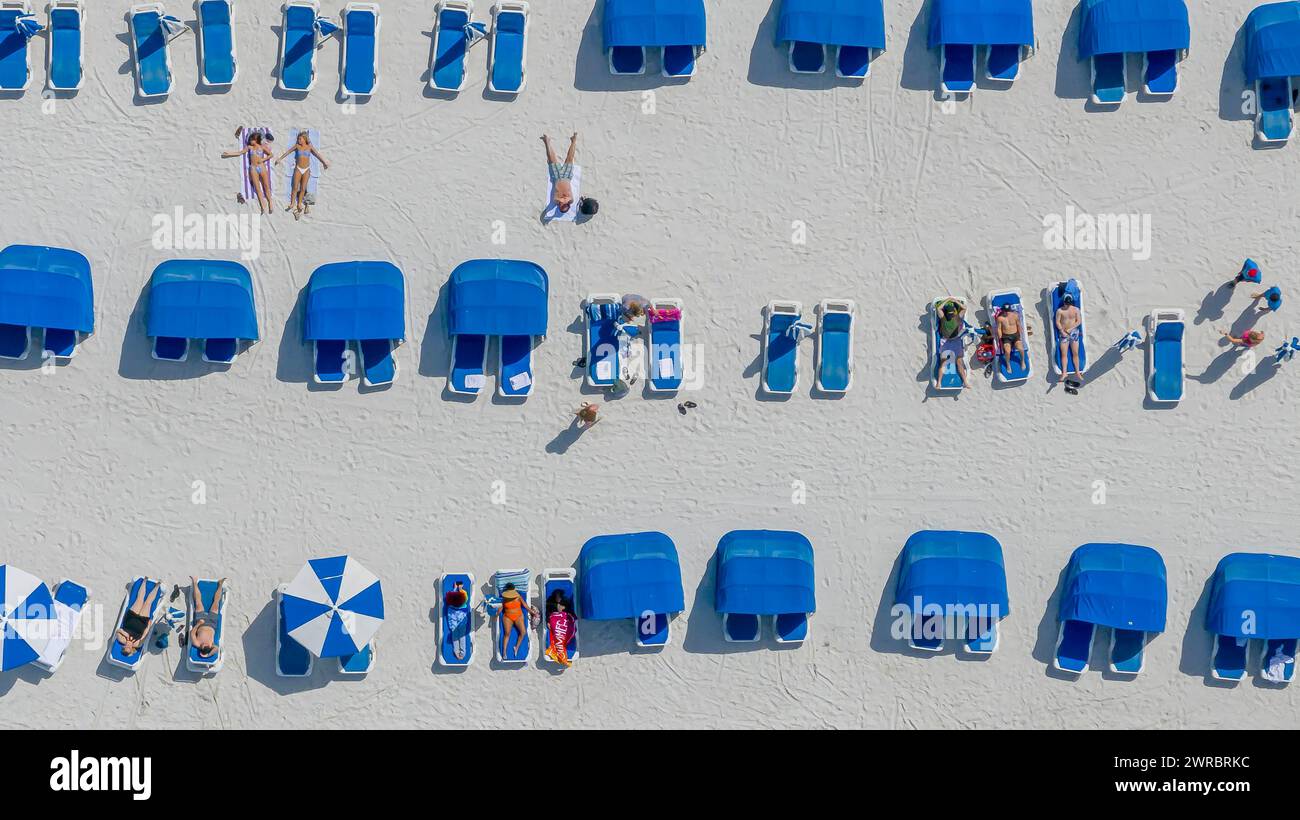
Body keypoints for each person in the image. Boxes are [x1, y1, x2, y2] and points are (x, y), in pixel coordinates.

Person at [276, 131, 329, 221]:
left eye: (300, 139)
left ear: (304, 139)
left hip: (306, 169)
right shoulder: (297, 146)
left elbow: (317, 154)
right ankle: (292, 203)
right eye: (298, 139)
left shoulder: (309, 147)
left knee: (303, 188)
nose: (298, 140)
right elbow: (288, 152)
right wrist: (280, 158)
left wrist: (324, 162)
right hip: (298, 169)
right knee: (295, 187)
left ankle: (299, 203)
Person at [222, 132, 273, 215]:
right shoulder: (249, 147)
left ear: (256, 139)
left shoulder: (262, 147)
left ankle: (270, 203)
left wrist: (263, 160)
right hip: (253, 169)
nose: (249, 141)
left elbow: (271, 155)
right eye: (249, 140)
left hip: (262, 166)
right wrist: (229, 153)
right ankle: (263, 206)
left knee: (266, 186)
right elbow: (240, 153)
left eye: (251, 139)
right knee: (258, 188)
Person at [114, 580, 162, 658]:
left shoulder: (122, 640)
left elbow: (117, 631)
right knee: (148, 602)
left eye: (126, 648)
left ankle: (144, 581)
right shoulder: (137, 644)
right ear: (132, 649)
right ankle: (157, 586)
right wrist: (149, 626)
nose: (128, 646)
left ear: (123, 647)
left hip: (130, 618)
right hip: (143, 621)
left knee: (139, 599)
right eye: (129, 648)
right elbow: (144, 635)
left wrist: (123, 632)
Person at [188, 577, 226, 660]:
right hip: (212, 623)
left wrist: (198, 624)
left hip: (200, 622)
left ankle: (194, 582)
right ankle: (220, 584)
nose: (205, 643)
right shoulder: (211, 646)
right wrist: (208, 655)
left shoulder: (197, 643)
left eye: (203, 645)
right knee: (216, 604)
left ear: (201, 648)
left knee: (198, 603)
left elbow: (192, 633)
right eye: (206, 645)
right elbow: (216, 649)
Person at [497, 583, 539, 656]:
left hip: (518, 616)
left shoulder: (518, 596)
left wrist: (531, 612)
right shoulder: (504, 598)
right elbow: (500, 608)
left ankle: (516, 647)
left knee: (523, 632)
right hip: (508, 617)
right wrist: (496, 614)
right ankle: (504, 652)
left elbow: (525, 605)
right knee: (507, 634)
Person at [542, 132, 578, 214]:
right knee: (570, 157)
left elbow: (561, 200)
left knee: (552, 159)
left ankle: (547, 142)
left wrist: (562, 200)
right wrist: (566, 201)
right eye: (565, 206)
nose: (563, 204)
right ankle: (574, 140)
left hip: (557, 177)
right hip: (567, 176)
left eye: (562, 206)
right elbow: (568, 199)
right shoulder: (571, 200)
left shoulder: (556, 200)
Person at [1055, 293, 1084, 384]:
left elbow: (1079, 321)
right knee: (1064, 354)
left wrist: (1070, 329)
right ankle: (1064, 373)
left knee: (1075, 353)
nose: (1066, 305)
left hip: (1074, 332)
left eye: (1067, 304)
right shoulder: (1060, 311)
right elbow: (1057, 322)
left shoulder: (1076, 310)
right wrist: (1062, 331)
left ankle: (1077, 372)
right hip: (1064, 332)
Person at [544, 589, 576, 668]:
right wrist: (548, 621)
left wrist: (563, 611)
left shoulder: (565, 600)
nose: (558, 599)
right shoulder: (550, 600)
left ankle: (563, 647)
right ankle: (559, 649)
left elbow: (570, 611)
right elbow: (547, 612)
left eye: (559, 597)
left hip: (562, 618)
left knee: (566, 631)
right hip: (554, 618)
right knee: (556, 632)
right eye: (557, 596)